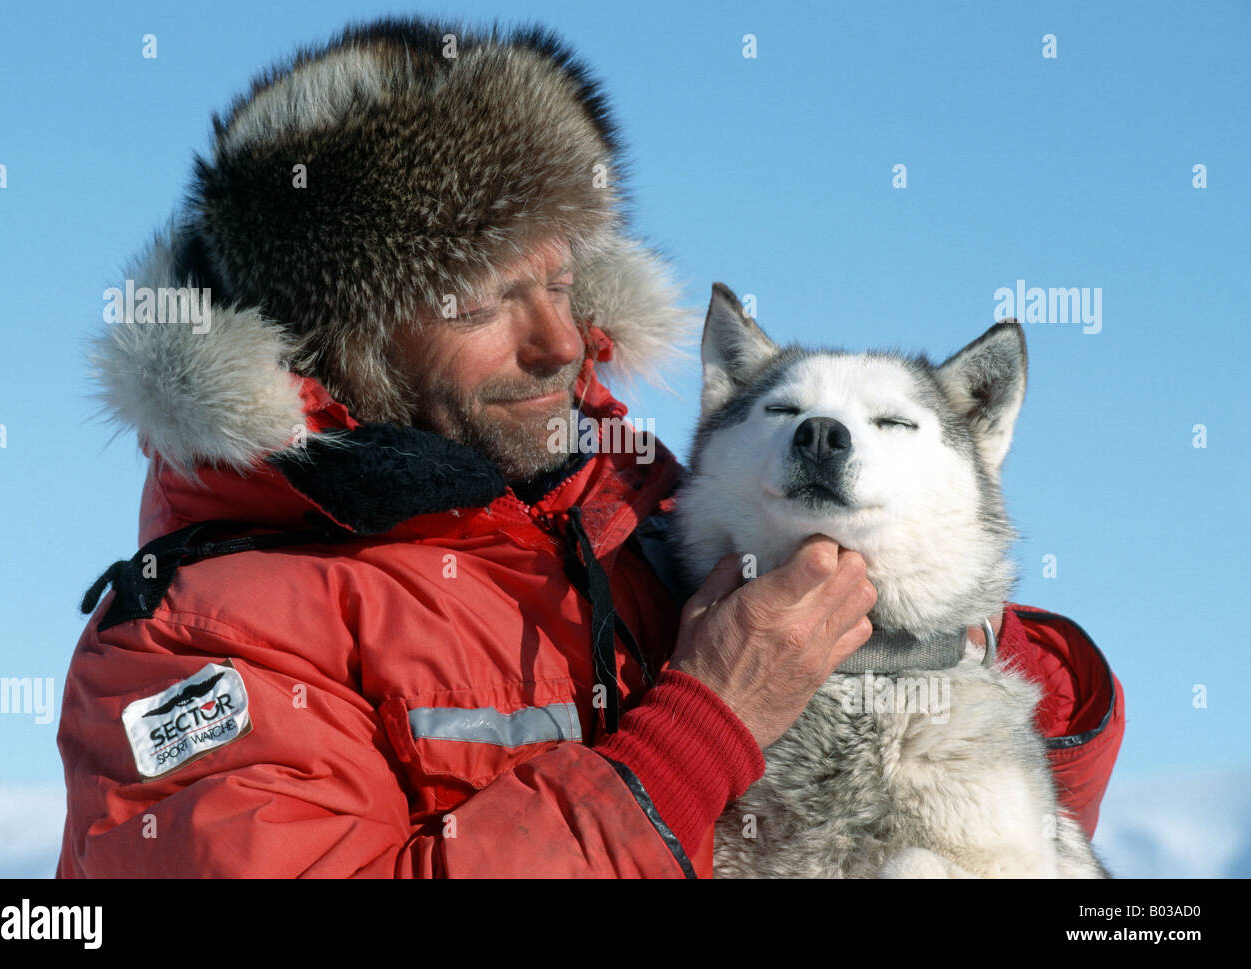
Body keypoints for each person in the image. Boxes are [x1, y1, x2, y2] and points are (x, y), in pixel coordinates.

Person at [57, 16, 1123, 877]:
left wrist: (956, 641)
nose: (560, 342)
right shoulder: (201, 640)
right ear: (344, 344)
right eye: (482, 302)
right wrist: (699, 727)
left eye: (560, 283)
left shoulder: (629, 505)